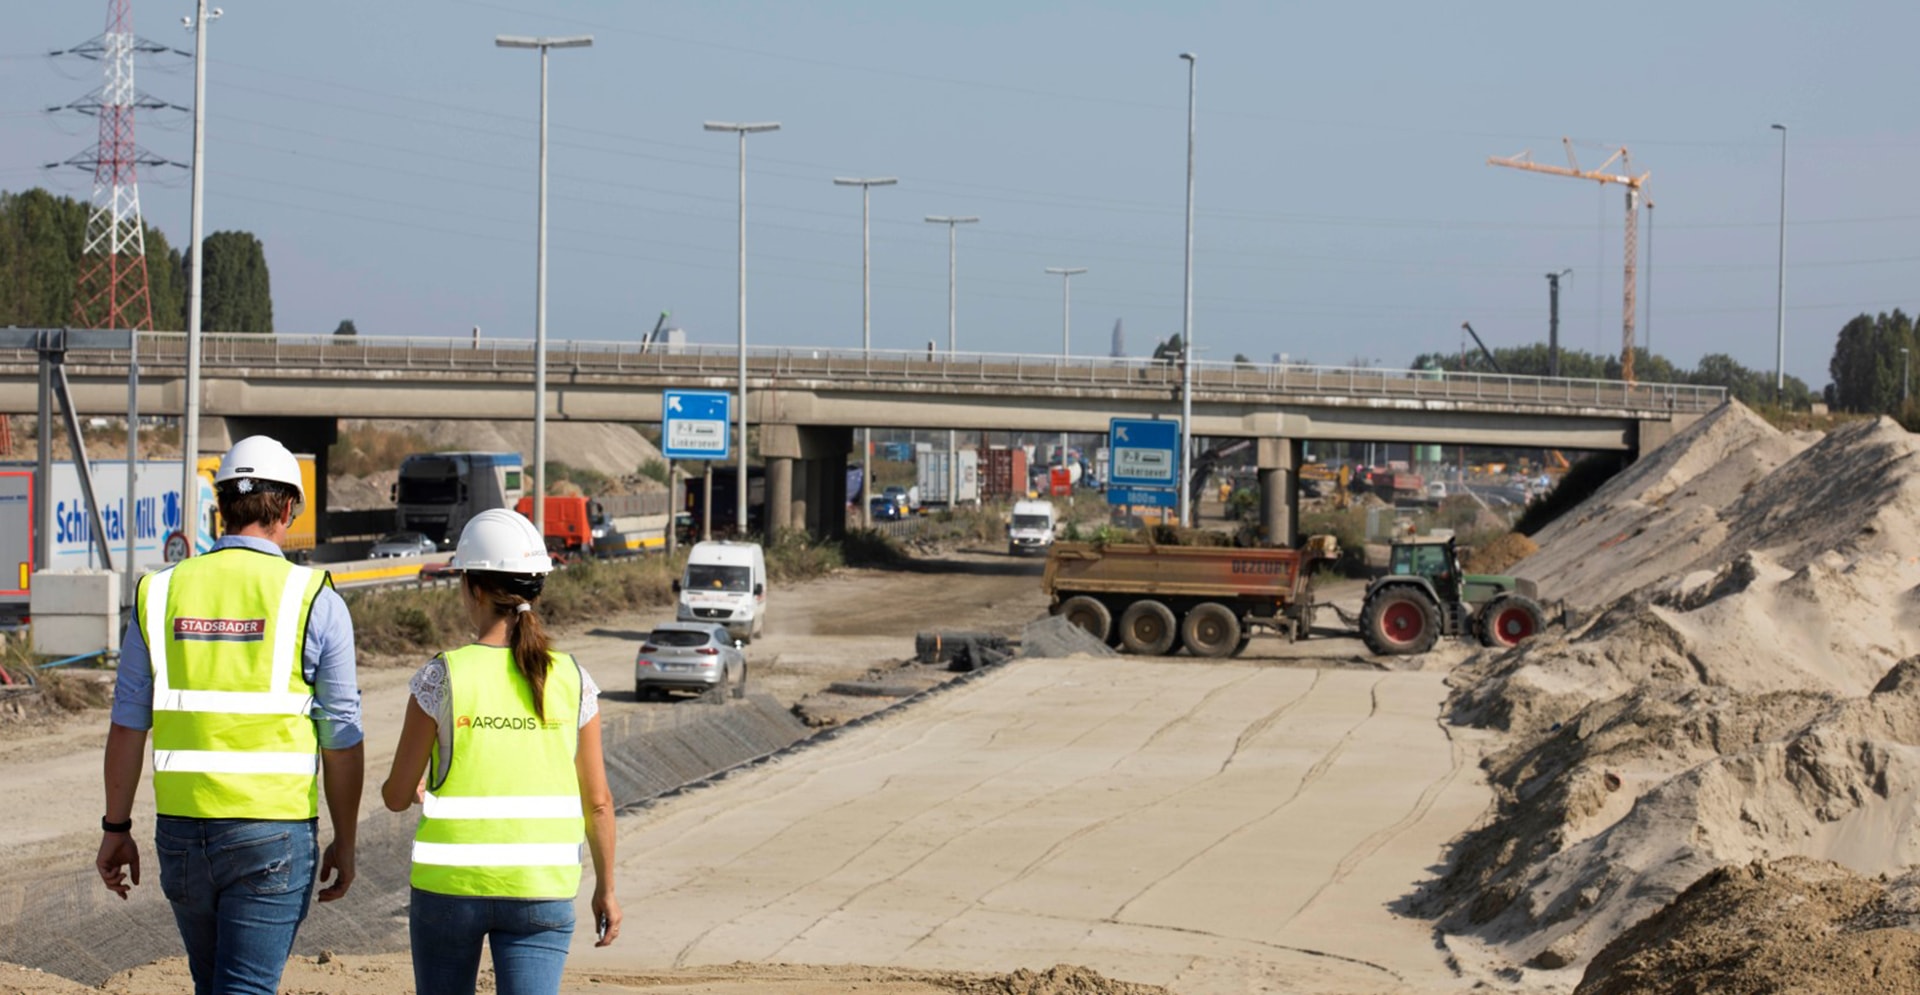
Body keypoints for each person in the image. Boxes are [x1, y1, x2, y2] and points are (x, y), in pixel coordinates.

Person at [97, 435, 364, 995]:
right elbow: (340, 736)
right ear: (290, 507)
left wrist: (116, 827)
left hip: (181, 834)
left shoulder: (159, 592)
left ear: (221, 506)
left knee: (212, 983)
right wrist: (346, 836)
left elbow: (128, 723)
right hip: (272, 833)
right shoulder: (313, 596)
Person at [382, 508, 620, 995]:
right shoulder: (574, 680)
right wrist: (606, 889)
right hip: (541, 889)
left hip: (449, 890)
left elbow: (394, 794)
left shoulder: (442, 676)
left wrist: (416, 787)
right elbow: (598, 801)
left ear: (473, 588)